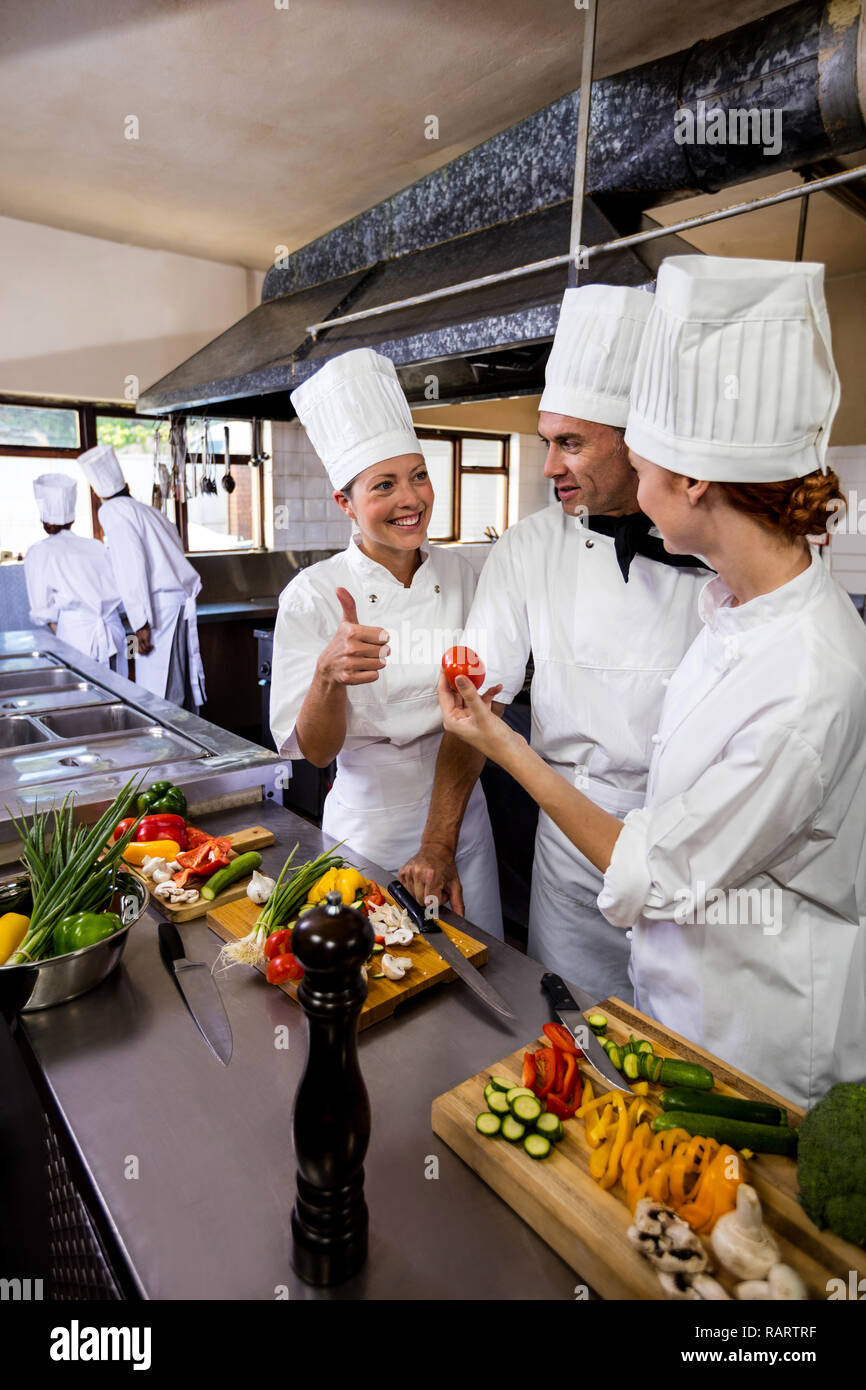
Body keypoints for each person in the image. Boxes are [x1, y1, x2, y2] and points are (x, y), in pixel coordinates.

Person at [437, 254, 866, 1110]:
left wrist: (504, 746)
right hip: (651, 924)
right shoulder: (737, 605)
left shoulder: (805, 669)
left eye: (635, 455)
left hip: (756, 1013)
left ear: (689, 477)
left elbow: (657, 865)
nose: (565, 468)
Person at [400, 285, 710, 1003]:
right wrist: (439, 842)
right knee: (570, 1039)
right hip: (570, 850)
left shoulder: (712, 545)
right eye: (547, 442)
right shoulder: (527, 548)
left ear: (638, 441)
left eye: (570, 443)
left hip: (695, 850)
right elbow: (475, 703)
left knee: (683, 1067)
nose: (548, 468)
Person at [270, 348, 503, 939]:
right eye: (385, 485)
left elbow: (481, 711)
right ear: (345, 504)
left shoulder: (462, 576)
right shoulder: (313, 595)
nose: (412, 498)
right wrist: (328, 676)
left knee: (485, 977)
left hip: (459, 819)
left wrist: (440, 839)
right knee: (380, 981)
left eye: (419, 475)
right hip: (366, 830)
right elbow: (317, 753)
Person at [77, 445, 205, 709]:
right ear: (125, 484)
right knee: (173, 688)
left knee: (161, 694)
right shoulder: (148, 511)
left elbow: (131, 567)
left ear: (96, 493)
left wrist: (140, 624)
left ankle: (172, 748)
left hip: (155, 614)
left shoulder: (112, 512)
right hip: (172, 609)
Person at [23, 473, 126, 668]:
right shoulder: (96, 546)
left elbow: (43, 611)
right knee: (118, 693)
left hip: (77, 639)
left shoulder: (39, 551)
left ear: (44, 520)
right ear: (71, 519)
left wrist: (65, 633)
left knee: (90, 696)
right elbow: (121, 599)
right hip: (114, 634)